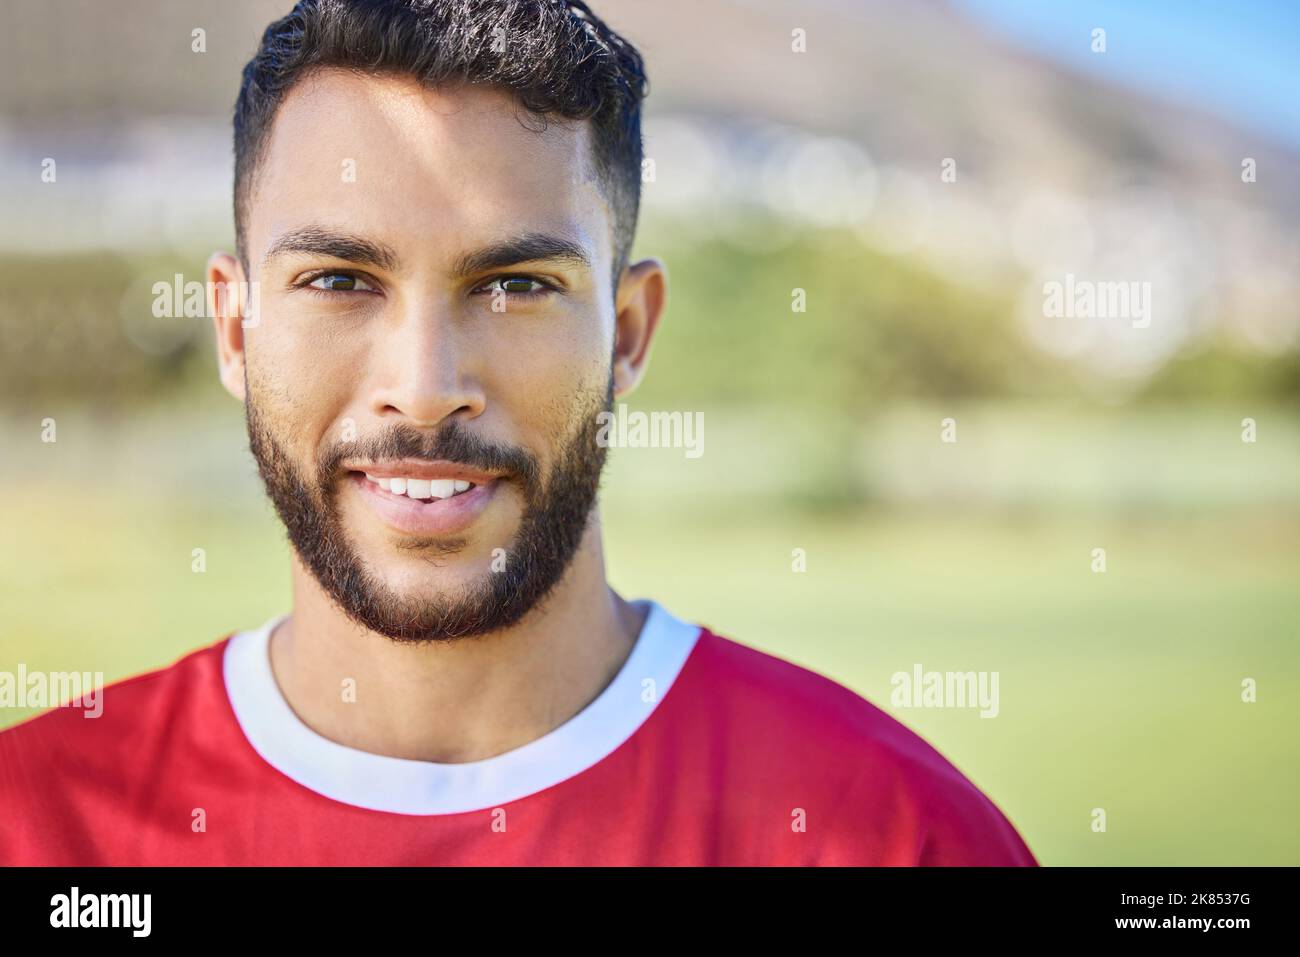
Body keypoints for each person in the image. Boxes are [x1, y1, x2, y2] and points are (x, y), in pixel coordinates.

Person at [0, 0, 1036, 866]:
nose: (423, 389)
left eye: (513, 285)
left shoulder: (887, 836)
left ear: (627, 334)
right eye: (338, 281)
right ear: (234, 330)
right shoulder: (37, 826)